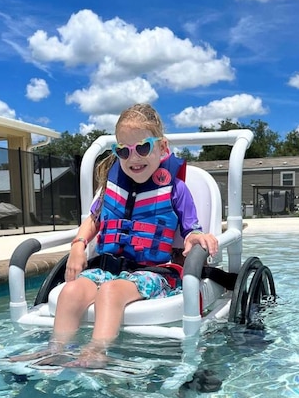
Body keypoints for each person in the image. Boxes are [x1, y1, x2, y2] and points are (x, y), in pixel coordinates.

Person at [52, 103, 218, 367]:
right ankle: (56, 350)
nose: (134, 158)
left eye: (142, 147)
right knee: (70, 291)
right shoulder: (111, 187)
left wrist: (197, 238)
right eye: (123, 151)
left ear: (162, 148)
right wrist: (78, 246)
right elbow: (93, 221)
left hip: (153, 272)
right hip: (109, 267)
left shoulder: (177, 189)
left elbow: (190, 230)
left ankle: (97, 352)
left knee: (110, 291)